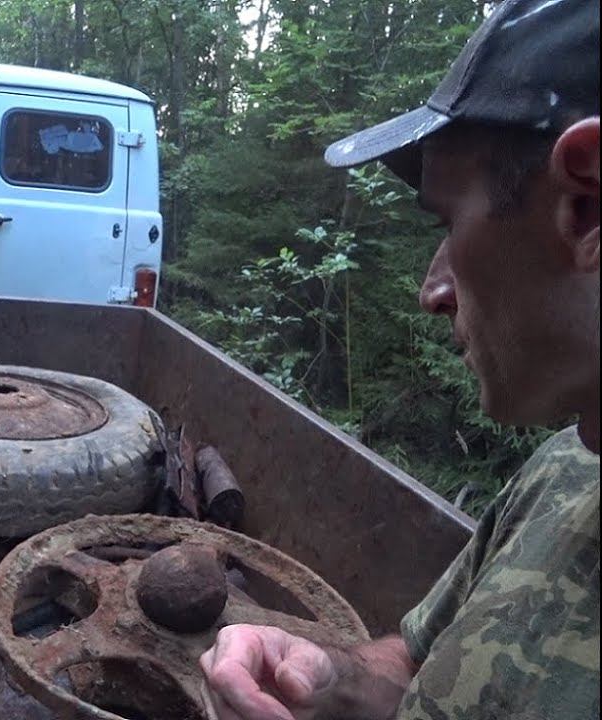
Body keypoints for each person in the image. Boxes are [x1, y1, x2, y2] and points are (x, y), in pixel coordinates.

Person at [199, 0, 600, 718]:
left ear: (588, 206)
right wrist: (330, 679)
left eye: (449, 220)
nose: (432, 292)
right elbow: (423, 664)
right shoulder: (561, 472)